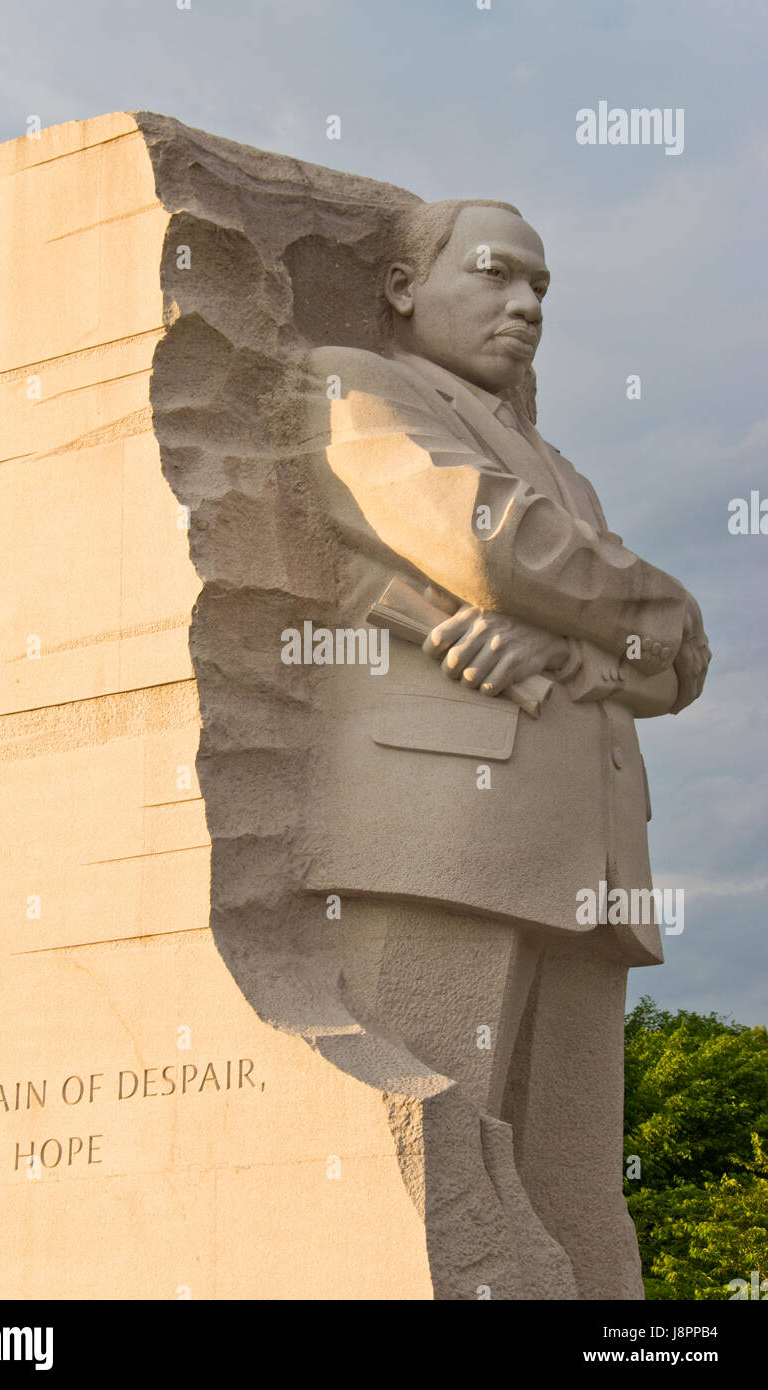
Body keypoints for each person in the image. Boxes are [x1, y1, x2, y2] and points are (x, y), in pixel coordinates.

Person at [299, 199, 710, 1299]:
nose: (524, 306)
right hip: (445, 838)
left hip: (593, 865)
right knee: (430, 1162)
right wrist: (650, 608)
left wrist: (573, 649)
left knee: (575, 1192)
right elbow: (488, 544)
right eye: (494, 275)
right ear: (401, 288)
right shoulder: (350, 381)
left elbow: (677, 665)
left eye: (539, 289)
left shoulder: (557, 465)